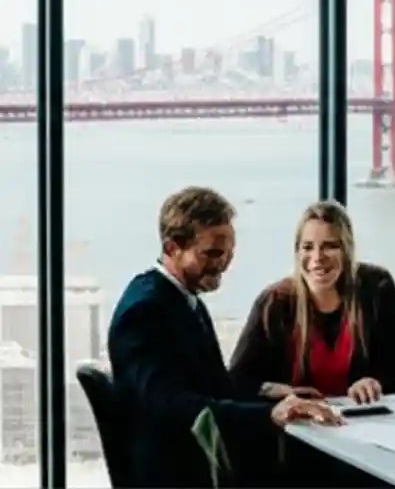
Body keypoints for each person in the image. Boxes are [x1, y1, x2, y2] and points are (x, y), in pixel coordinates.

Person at [108, 187, 340, 488]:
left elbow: (212, 388)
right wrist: (269, 416)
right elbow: (170, 405)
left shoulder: (179, 299)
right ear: (171, 248)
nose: (224, 263)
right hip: (179, 472)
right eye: (212, 253)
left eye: (229, 252)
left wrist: (273, 395)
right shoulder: (145, 311)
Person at [229, 200, 395, 405]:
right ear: (297, 252)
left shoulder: (377, 289)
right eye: (308, 247)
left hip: (364, 421)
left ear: (347, 250)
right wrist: (278, 391)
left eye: (330, 246)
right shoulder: (274, 302)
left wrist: (375, 384)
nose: (317, 257)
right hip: (296, 428)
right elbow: (237, 381)